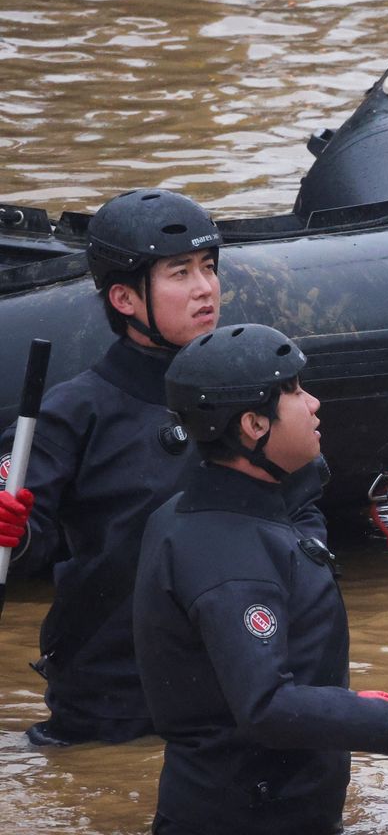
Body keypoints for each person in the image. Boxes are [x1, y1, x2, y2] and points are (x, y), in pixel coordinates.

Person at [133, 323, 388, 835]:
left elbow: (240, 675)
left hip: (268, 804)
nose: (314, 403)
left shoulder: (216, 513)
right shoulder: (232, 559)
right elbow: (267, 706)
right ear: (254, 424)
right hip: (248, 818)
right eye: (294, 391)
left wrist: (350, 706)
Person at [0, 189, 226, 746]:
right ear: (124, 298)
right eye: (180, 273)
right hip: (112, 698)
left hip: (232, 680)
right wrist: (13, 531)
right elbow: (23, 537)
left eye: (209, 267)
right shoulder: (73, 412)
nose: (205, 287)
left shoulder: (249, 391)